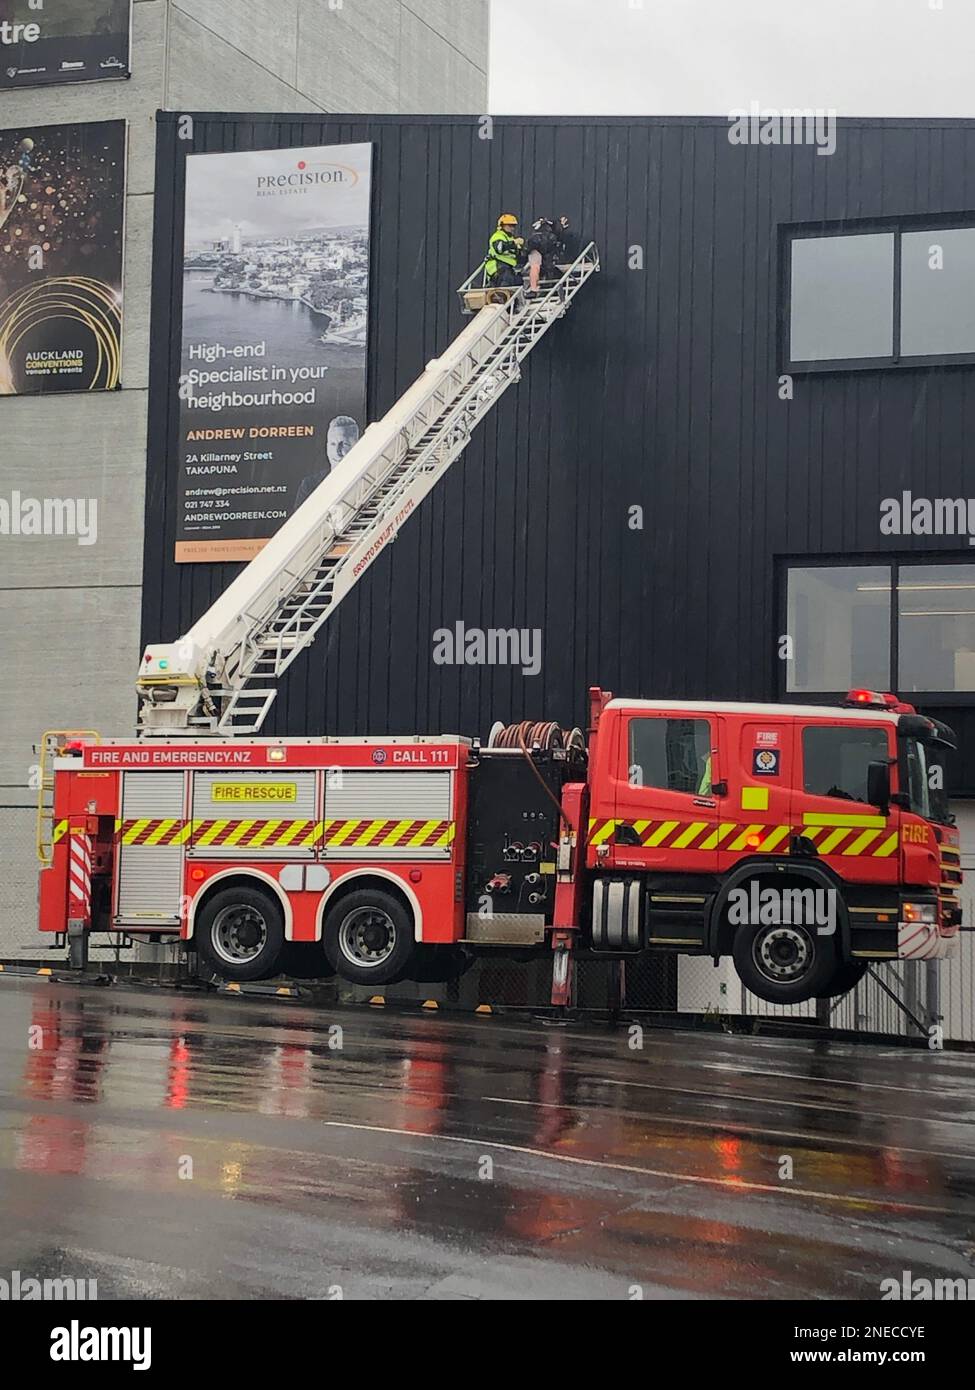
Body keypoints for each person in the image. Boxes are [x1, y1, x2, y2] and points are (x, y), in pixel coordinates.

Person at [293, 414, 360, 510]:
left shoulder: (367, 481)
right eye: (333, 444)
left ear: (356, 446)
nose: (337, 451)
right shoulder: (310, 485)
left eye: (344, 444)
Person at [525, 214, 573, 291]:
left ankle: (534, 287)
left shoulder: (544, 227)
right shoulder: (552, 228)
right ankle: (533, 287)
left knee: (537, 266)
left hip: (537, 249)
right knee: (536, 266)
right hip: (538, 249)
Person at [485, 213, 524, 288]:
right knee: (506, 283)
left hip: (510, 269)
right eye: (509, 226)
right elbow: (499, 248)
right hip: (498, 268)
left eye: (513, 226)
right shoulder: (497, 236)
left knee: (519, 281)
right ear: (502, 226)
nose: (512, 228)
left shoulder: (510, 238)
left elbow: (518, 255)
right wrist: (514, 243)